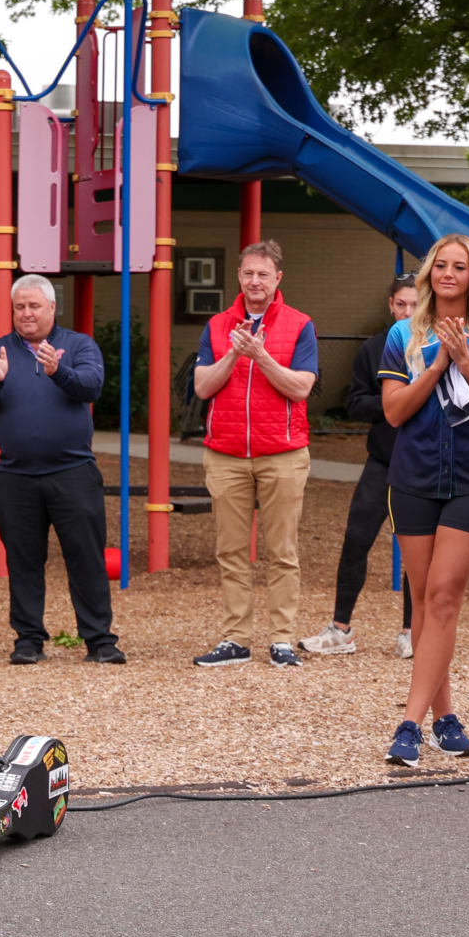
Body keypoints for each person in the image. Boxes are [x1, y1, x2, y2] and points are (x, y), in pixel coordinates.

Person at [376, 235, 469, 765]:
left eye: (460, 267)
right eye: (441, 265)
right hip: (413, 477)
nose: (449, 274)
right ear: (429, 273)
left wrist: (466, 358)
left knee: (442, 597)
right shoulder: (403, 334)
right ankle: (445, 717)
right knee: (424, 600)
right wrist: (437, 364)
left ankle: (409, 724)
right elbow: (394, 412)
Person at [0, 273, 124, 665]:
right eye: (19, 307)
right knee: (23, 562)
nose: (26, 313)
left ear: (52, 307)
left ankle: (99, 640)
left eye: (34, 306)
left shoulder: (78, 345)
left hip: (73, 473)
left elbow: (92, 387)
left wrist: (58, 371)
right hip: (15, 477)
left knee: (86, 558)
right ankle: (28, 640)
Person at [191, 239, 320, 668]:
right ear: (238, 276)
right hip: (226, 453)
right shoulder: (217, 325)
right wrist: (234, 352)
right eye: (248, 273)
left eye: (263, 274)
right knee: (230, 551)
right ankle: (236, 638)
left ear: (278, 278)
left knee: (282, 551)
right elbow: (203, 387)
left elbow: (301, 388)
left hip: (282, 453)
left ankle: (281, 638)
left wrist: (260, 355)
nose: (255, 281)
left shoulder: (300, 324)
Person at [301, 273, 417, 659]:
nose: (407, 312)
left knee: (418, 551)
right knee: (356, 540)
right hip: (381, 460)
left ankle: (411, 632)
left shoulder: (439, 345)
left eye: (415, 304)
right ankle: (340, 629)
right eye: (401, 304)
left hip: (423, 464)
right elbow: (356, 403)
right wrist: (397, 402)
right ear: (390, 306)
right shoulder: (374, 348)